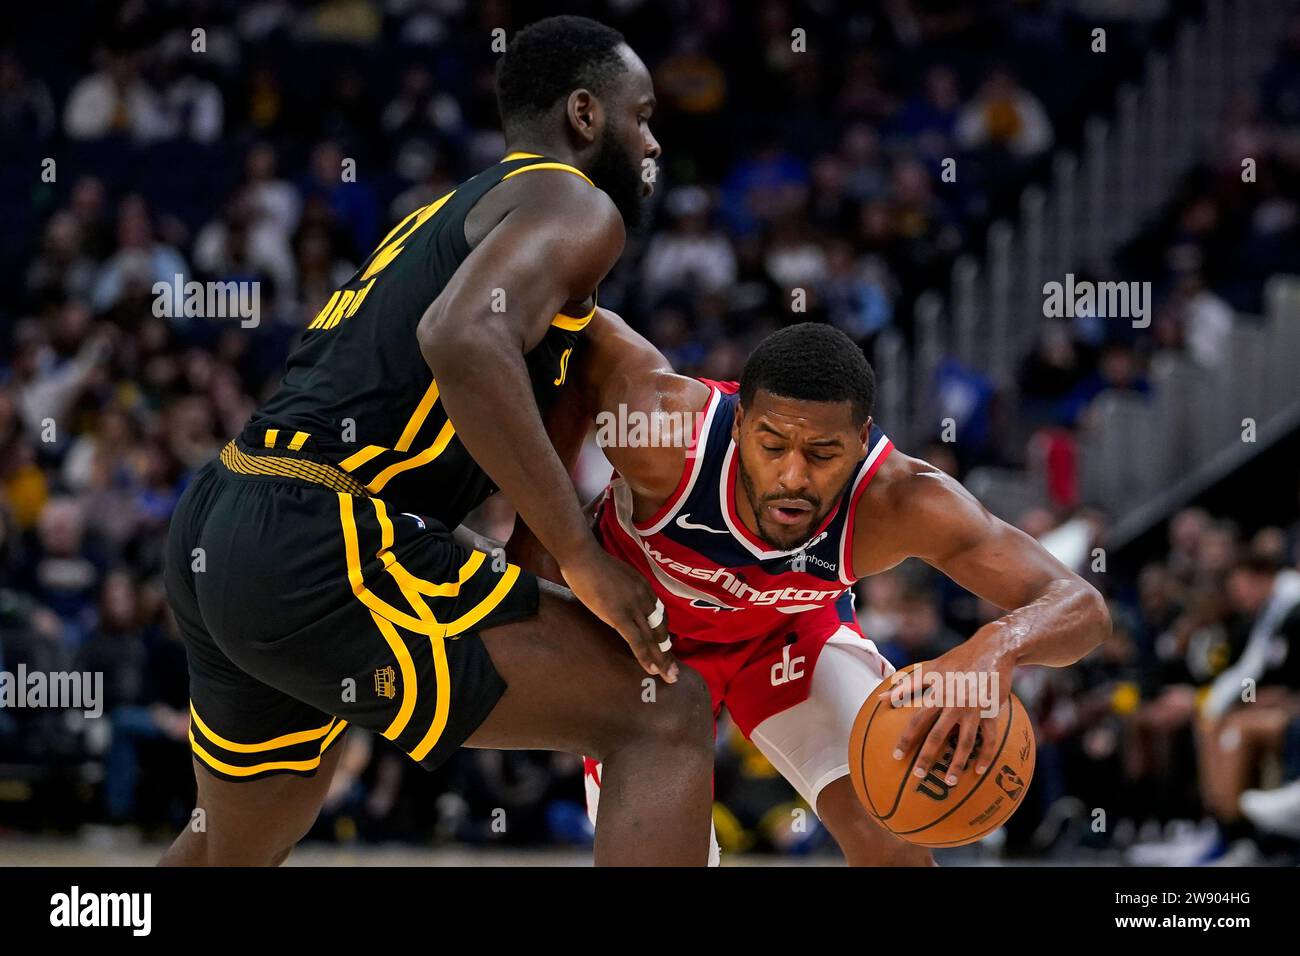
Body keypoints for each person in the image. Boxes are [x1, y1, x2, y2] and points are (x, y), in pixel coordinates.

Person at [161, 15, 715, 867]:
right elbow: (460, 340)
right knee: (663, 710)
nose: (652, 140)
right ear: (584, 114)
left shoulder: (451, 214)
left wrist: (532, 559)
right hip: (324, 535)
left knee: (220, 857)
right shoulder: (577, 204)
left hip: (228, 516)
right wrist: (581, 556)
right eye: (641, 115)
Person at [513, 315, 1111, 864]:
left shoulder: (901, 500)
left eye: (824, 453)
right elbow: (580, 337)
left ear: (862, 440)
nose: (794, 476)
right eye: (772, 447)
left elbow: (1082, 607)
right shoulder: (663, 430)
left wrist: (997, 646)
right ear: (740, 422)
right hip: (638, 646)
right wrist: (555, 546)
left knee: (894, 831)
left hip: (783, 637)